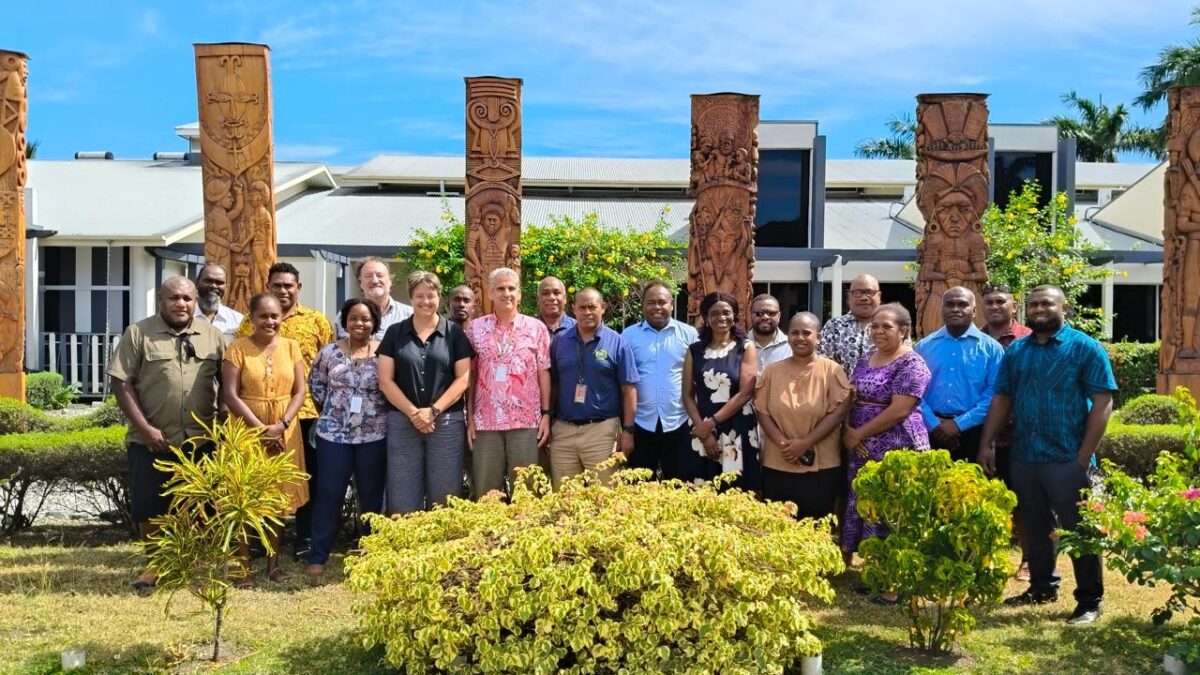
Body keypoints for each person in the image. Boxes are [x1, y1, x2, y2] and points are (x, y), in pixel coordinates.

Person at [977, 285, 1117, 626]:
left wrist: (1083, 457)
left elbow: (1103, 402)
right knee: (1036, 526)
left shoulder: (1085, 347)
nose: (1039, 308)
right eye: (1034, 303)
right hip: (1025, 454)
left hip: (1068, 456)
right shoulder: (1018, 351)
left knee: (1078, 530)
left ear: (1062, 306)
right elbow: (1002, 398)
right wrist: (986, 443)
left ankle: (1088, 600)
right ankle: (1042, 587)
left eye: (1046, 303)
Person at [109, 276, 225, 591]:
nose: (181, 304)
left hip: (200, 441)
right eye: (174, 298)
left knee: (202, 506)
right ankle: (156, 565)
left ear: (196, 301)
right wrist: (145, 428)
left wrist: (224, 428)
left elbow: (226, 385)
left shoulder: (212, 336)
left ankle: (195, 562)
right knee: (150, 506)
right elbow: (120, 383)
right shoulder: (139, 334)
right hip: (151, 441)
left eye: (188, 298)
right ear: (161, 299)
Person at [237, 262, 333, 560]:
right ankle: (255, 540)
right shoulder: (248, 322)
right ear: (269, 286)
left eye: (288, 285)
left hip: (305, 414)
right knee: (259, 478)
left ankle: (304, 538)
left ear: (298, 288)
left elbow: (329, 364)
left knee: (306, 478)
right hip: (259, 418)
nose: (282, 290)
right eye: (277, 285)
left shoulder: (317, 321)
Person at [842, 303, 931, 598]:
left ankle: (895, 582)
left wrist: (857, 434)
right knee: (869, 506)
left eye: (886, 327)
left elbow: (899, 410)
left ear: (903, 331)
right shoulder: (868, 358)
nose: (878, 331)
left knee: (895, 509)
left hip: (896, 444)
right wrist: (849, 431)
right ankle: (874, 572)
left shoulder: (912, 364)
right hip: (862, 445)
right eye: (875, 327)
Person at [223, 293, 309, 586]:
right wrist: (261, 428)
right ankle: (243, 566)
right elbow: (230, 395)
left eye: (275, 316)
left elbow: (300, 391)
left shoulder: (291, 347)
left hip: (285, 429)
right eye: (264, 316)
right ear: (252, 318)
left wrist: (282, 424)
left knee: (278, 499)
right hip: (247, 430)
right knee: (246, 499)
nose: (270, 321)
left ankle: (273, 564)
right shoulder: (237, 348)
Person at [378, 272, 473, 513]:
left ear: (439, 298)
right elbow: (385, 381)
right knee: (402, 496)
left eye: (431, 296)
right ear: (411, 298)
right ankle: (403, 548)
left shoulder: (454, 334)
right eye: (419, 296)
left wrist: (432, 411)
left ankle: (440, 549)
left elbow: (464, 378)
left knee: (445, 495)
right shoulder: (394, 333)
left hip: (446, 423)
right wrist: (414, 413)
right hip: (402, 421)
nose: (425, 301)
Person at [305, 298, 387, 577]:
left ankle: (370, 550)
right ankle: (318, 554)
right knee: (329, 493)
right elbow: (316, 385)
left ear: (374, 322)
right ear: (345, 321)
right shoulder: (328, 352)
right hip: (333, 436)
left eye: (365, 319)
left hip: (373, 435)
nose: (359, 324)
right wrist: (333, 412)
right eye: (354, 318)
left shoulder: (384, 352)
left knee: (371, 496)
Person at [755, 312, 853, 519]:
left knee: (818, 527)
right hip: (778, 461)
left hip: (821, 465)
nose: (800, 337)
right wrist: (784, 444)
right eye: (795, 333)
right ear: (788, 336)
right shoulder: (771, 372)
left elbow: (837, 413)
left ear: (818, 337)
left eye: (806, 333)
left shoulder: (832, 371)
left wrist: (805, 443)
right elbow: (762, 411)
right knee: (779, 528)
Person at [466, 268, 551, 497]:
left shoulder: (536, 329)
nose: (507, 293)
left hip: (526, 421)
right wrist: (470, 418)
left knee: (527, 492)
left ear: (520, 293)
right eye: (500, 288)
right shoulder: (475, 329)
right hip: (486, 422)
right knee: (486, 493)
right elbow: (470, 375)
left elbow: (544, 372)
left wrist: (546, 414)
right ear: (491, 293)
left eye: (512, 288)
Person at [548, 288, 639, 486]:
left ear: (603, 308)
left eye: (592, 307)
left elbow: (629, 389)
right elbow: (553, 383)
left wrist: (628, 431)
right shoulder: (560, 342)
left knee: (604, 498)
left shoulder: (618, 343)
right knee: (565, 498)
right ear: (573, 309)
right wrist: (549, 419)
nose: (587, 312)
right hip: (564, 430)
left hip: (602, 431)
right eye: (582, 307)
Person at [913, 286, 1003, 463]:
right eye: (950, 304)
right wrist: (934, 424)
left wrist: (959, 424)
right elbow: (915, 393)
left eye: (962, 304)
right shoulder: (923, 347)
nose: (955, 309)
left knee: (971, 489)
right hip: (929, 432)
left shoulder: (992, 349)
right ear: (942, 309)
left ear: (975, 311)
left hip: (974, 432)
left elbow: (994, 395)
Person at [980, 283, 1033, 581]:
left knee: (1024, 501)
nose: (995, 307)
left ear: (1013, 305)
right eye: (989, 302)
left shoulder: (1028, 339)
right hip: (981, 433)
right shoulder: (975, 338)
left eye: (1001, 301)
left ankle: (1029, 559)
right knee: (983, 499)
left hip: (1020, 433)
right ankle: (985, 556)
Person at [682, 292, 759, 489]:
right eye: (714, 313)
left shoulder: (746, 347)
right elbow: (687, 395)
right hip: (701, 427)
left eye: (726, 312)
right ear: (706, 318)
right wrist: (704, 430)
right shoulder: (694, 350)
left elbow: (745, 393)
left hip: (737, 427)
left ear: (734, 316)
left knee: (736, 489)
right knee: (701, 489)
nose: (721, 318)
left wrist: (712, 423)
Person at [622, 281, 698, 480]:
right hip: (640, 424)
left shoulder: (689, 335)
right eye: (651, 302)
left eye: (662, 302)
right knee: (637, 489)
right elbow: (622, 383)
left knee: (680, 487)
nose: (657, 307)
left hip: (679, 422)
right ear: (643, 306)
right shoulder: (628, 336)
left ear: (671, 305)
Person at [818, 273, 883, 376]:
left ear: (879, 296)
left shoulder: (891, 326)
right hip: (841, 390)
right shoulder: (834, 326)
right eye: (858, 292)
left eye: (869, 292)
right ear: (849, 297)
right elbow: (821, 365)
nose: (864, 298)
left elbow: (903, 361)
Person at [334, 258, 413, 340]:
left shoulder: (410, 315)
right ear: (360, 283)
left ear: (390, 281)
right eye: (368, 276)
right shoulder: (345, 316)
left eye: (379, 275)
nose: (375, 281)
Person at [194, 263, 244, 342]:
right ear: (196, 283)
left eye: (219, 282)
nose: (213, 286)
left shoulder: (237, 321)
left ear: (226, 287)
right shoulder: (185, 317)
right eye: (208, 280)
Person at [750, 294, 790, 372]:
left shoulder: (791, 346)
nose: (765, 317)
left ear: (779, 316)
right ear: (751, 315)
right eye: (759, 313)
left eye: (771, 313)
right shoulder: (739, 345)